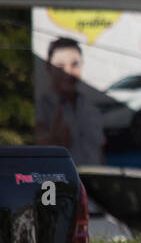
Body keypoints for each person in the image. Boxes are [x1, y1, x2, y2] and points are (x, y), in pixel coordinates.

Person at [35, 37, 105, 166]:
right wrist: (52, 138)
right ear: (48, 67)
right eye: (60, 66)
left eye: (75, 64)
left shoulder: (91, 108)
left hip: (93, 182)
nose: (68, 72)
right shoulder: (40, 108)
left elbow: (99, 151)